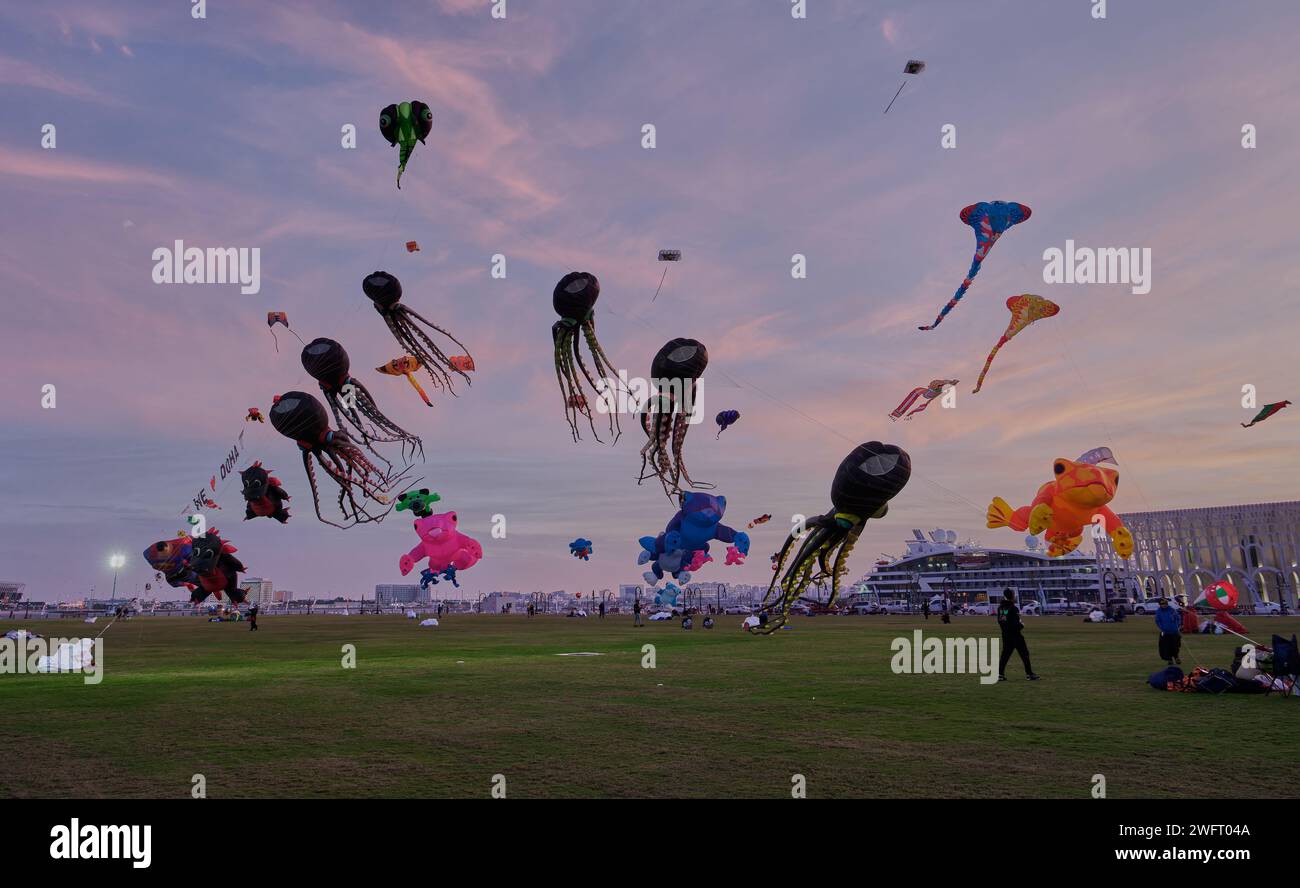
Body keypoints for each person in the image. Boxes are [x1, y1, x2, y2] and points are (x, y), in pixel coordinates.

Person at [996, 588, 1039, 681]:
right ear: (1011, 595)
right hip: (1015, 635)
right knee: (1024, 654)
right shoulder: (1013, 608)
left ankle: (1000, 674)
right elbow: (1015, 624)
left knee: (1005, 655)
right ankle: (1029, 674)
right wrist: (1021, 625)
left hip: (1005, 635)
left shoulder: (1000, 608)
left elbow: (1001, 621)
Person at [1155, 597, 1181, 665]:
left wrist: (1177, 625)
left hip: (1174, 631)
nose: (1164, 605)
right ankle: (1169, 659)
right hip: (1165, 632)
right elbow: (1157, 621)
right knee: (1166, 646)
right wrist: (1162, 627)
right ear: (1160, 604)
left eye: (1165, 603)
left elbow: (1178, 618)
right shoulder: (1158, 611)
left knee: (1175, 646)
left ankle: (1176, 657)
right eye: (1162, 604)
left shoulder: (1172, 610)